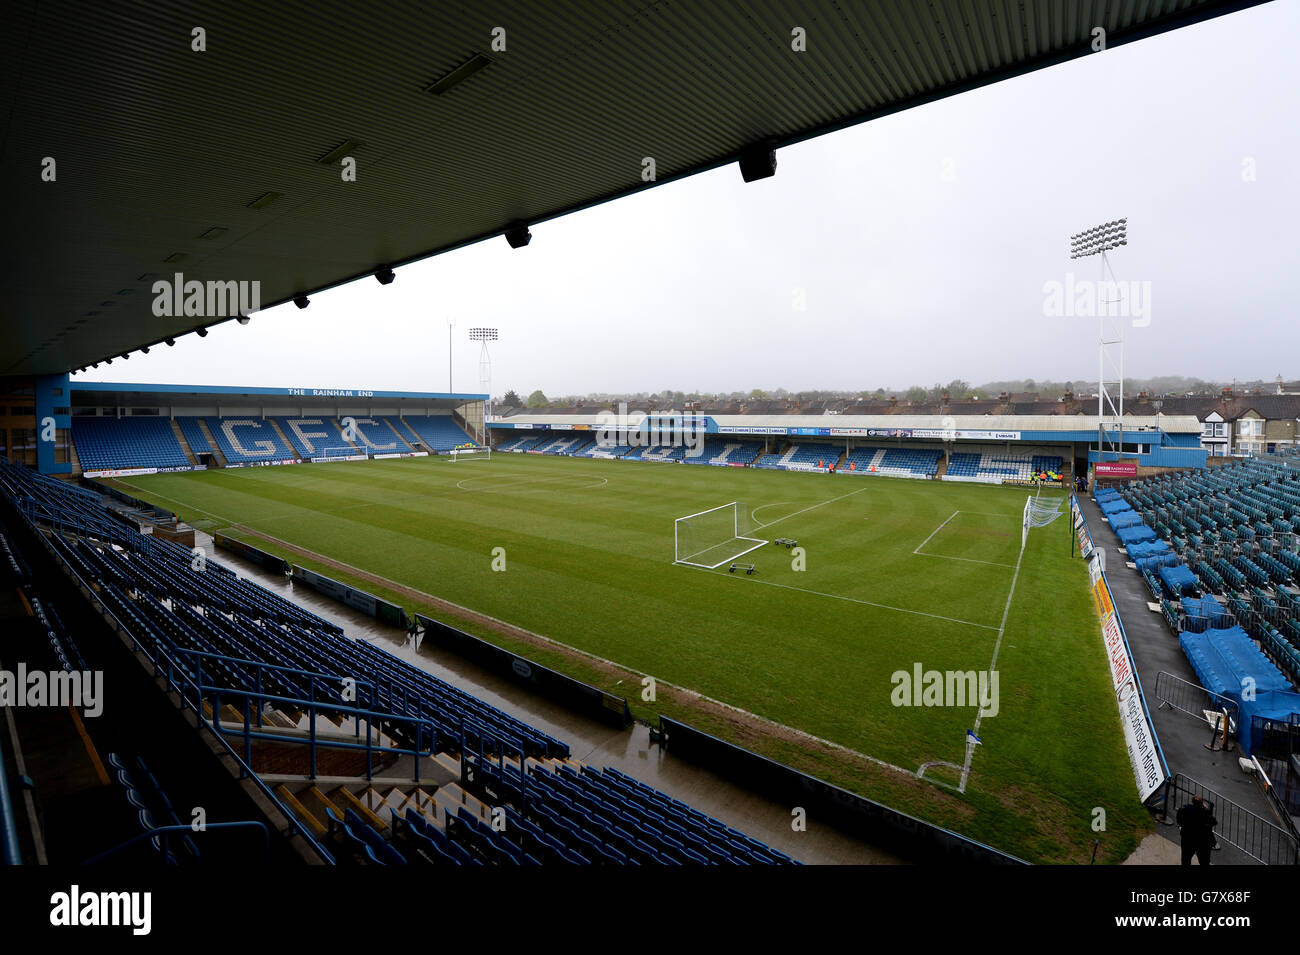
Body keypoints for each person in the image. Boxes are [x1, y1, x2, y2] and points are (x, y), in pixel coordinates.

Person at [1176, 794, 1217, 865]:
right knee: (1204, 861)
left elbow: (1179, 820)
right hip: (1202, 841)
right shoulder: (1205, 813)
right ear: (1202, 803)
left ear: (1192, 802)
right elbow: (1214, 822)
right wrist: (1205, 809)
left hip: (1187, 838)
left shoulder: (1185, 809)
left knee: (1186, 859)